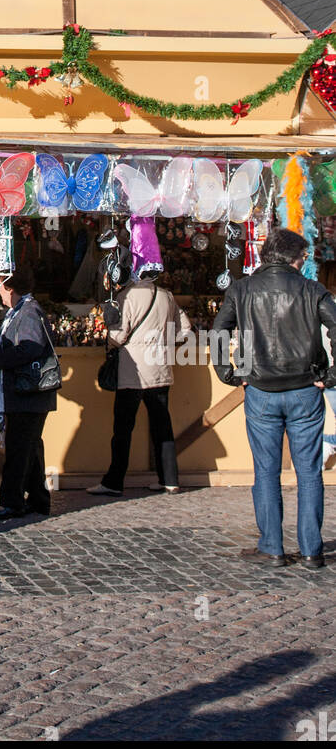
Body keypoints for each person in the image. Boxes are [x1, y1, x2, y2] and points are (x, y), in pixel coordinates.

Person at [211, 227, 336, 568]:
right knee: (309, 472)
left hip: (262, 390)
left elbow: (219, 329)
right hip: (305, 389)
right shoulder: (312, 290)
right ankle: (311, 550)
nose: (307, 259)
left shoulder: (243, 289)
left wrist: (229, 372)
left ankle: (272, 547)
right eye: (304, 254)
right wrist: (331, 375)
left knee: (266, 472)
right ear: (294, 257)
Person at [88, 269, 192, 498]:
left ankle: (114, 481)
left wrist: (109, 341)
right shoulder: (166, 295)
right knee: (162, 425)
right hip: (160, 368)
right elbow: (185, 328)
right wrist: (164, 342)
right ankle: (170, 479)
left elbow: (118, 335)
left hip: (132, 373)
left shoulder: (128, 296)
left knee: (123, 429)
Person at [0, 269, 56, 519]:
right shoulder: (24, 311)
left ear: (10, 288)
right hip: (29, 395)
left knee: (18, 449)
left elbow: (29, 348)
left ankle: (11, 501)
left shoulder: (27, 313)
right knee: (30, 449)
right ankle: (38, 499)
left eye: (1, 287)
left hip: (28, 394)